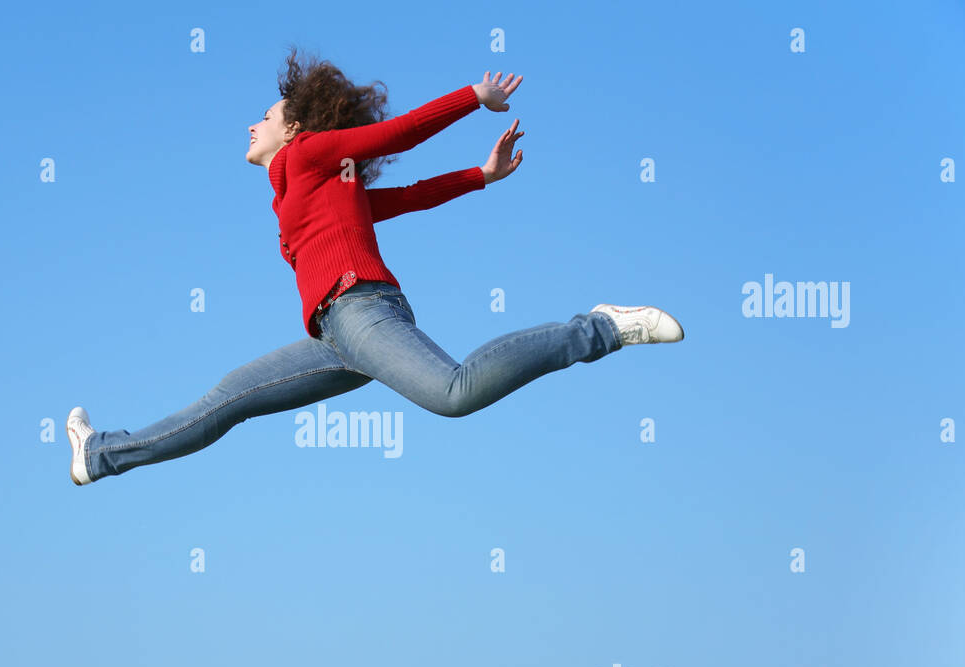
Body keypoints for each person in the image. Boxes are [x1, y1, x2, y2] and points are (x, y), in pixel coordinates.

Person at [67, 50, 683, 485]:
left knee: (454, 393)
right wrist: (481, 176)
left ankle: (599, 327)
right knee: (228, 402)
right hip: (336, 337)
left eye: (267, 116)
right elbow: (407, 197)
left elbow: (397, 137)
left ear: (298, 129)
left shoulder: (306, 155)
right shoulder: (309, 191)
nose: (254, 124)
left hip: (363, 312)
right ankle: (101, 455)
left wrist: (474, 98)